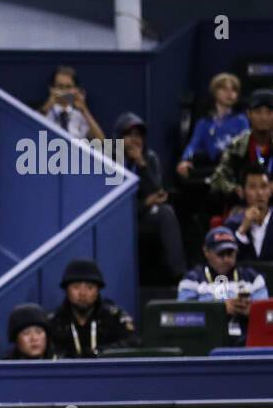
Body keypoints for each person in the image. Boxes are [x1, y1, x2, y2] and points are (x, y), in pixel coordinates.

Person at [113, 111, 187, 285]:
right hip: (117, 220)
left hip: (140, 218)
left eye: (138, 135)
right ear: (117, 138)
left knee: (166, 213)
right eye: (128, 135)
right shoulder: (110, 160)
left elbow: (159, 194)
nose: (134, 140)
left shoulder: (149, 158)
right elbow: (114, 206)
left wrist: (142, 165)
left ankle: (181, 278)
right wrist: (145, 203)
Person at [177, 227, 269, 346]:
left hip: (246, 338)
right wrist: (220, 309)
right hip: (205, 340)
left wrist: (252, 310)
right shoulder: (191, 279)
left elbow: (266, 311)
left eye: (230, 253)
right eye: (221, 254)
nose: (226, 259)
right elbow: (182, 315)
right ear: (206, 252)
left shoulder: (253, 278)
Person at [48, 258, 141, 358]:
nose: (83, 293)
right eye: (76, 287)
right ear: (66, 290)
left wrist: (99, 352)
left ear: (98, 290)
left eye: (90, 287)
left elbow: (134, 342)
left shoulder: (115, 317)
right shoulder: (55, 321)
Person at [177, 73, 248, 178]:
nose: (230, 93)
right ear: (215, 92)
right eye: (225, 89)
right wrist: (185, 160)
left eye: (234, 90)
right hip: (208, 167)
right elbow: (193, 144)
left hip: (232, 168)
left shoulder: (241, 120)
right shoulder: (204, 123)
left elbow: (244, 146)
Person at [210, 88, 273, 200]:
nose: (263, 118)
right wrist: (234, 189)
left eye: (269, 112)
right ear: (248, 114)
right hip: (243, 206)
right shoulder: (237, 145)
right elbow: (217, 179)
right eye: (258, 112)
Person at [40, 65, 106, 141]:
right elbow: (30, 130)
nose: (64, 91)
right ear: (51, 88)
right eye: (60, 86)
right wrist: (47, 107)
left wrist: (84, 110)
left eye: (68, 87)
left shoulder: (81, 115)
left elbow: (101, 141)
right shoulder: (44, 112)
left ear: (76, 89)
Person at [223, 164, 273, 262]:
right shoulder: (232, 225)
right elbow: (226, 261)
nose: (259, 193)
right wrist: (242, 230)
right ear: (241, 191)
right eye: (253, 187)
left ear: (271, 189)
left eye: (264, 186)